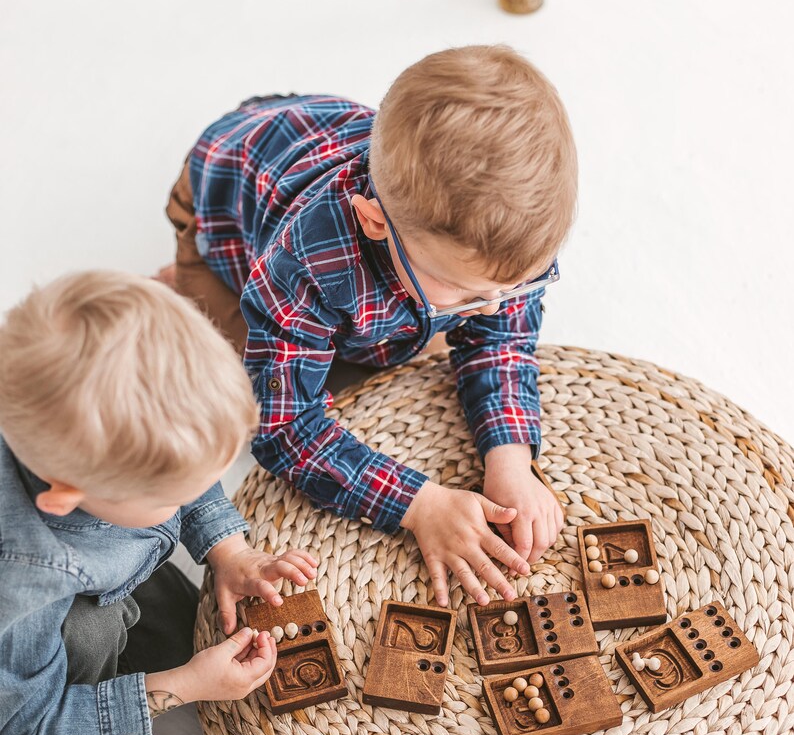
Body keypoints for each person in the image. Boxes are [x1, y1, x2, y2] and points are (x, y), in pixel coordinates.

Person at [162, 45, 577, 608]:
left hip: (321, 135)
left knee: (428, 329)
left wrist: (509, 458)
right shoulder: (304, 261)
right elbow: (284, 427)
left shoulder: (484, 251)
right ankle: (184, 278)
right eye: (474, 293)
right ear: (374, 221)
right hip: (228, 197)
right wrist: (421, 504)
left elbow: (499, 336)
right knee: (228, 375)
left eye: (518, 285)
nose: (495, 306)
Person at [0, 271, 317, 735]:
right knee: (101, 638)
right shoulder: (25, 579)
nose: (194, 496)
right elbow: (25, 730)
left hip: (108, 556)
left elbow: (180, 468)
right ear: (66, 496)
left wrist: (230, 550)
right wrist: (183, 688)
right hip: (32, 640)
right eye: (173, 495)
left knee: (183, 634)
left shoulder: (79, 428)